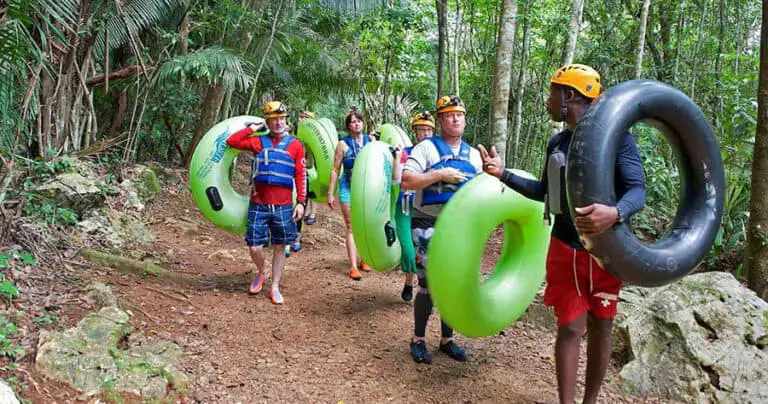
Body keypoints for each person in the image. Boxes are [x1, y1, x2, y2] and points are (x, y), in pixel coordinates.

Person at [478, 64, 646, 403]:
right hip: (565, 248)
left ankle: (590, 401)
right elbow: (544, 191)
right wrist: (502, 174)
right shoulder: (557, 142)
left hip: (607, 253)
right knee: (570, 327)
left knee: (602, 326)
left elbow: (637, 191)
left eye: (552, 92)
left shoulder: (619, 139)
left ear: (569, 95)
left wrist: (614, 213)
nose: (547, 100)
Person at [401, 96, 482, 364]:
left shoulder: (473, 155)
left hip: (459, 226)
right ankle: (418, 338)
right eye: (449, 115)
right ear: (439, 120)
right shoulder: (426, 149)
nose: (456, 119)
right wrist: (440, 174)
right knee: (429, 285)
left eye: (460, 114)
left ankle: (447, 339)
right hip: (427, 221)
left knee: (454, 283)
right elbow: (407, 181)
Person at [226, 101, 307, 305]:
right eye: (273, 119)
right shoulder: (257, 142)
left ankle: (275, 286)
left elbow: (300, 175)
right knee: (254, 247)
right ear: (267, 122)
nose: (278, 122)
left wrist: (301, 202)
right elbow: (231, 141)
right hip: (258, 203)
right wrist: (253, 128)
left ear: (286, 120)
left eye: (281, 118)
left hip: (283, 205)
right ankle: (262, 272)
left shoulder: (295, 145)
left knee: (280, 247)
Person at [327, 107, 376, 280]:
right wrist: (330, 193)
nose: (356, 124)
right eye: (353, 122)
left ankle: (365, 259)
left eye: (358, 121)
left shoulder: (371, 141)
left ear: (363, 123)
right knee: (351, 226)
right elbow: (335, 169)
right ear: (348, 126)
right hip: (347, 185)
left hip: (367, 188)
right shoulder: (343, 144)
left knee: (365, 224)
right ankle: (353, 266)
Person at [397, 111, 435, 302]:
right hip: (405, 206)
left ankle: (416, 284)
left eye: (428, 129)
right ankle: (409, 282)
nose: (425, 133)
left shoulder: (438, 153)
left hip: (428, 208)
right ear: (415, 131)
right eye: (421, 129)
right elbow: (397, 179)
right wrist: (396, 159)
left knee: (424, 248)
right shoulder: (405, 152)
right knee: (408, 249)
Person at [285, 110, 318, 256]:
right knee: (285, 208)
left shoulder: (310, 142)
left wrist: (308, 150)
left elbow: (309, 165)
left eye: (307, 118)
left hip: (301, 177)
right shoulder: (289, 135)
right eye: (302, 117)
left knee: (300, 207)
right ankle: (285, 241)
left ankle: (296, 239)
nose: (303, 120)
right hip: (284, 177)